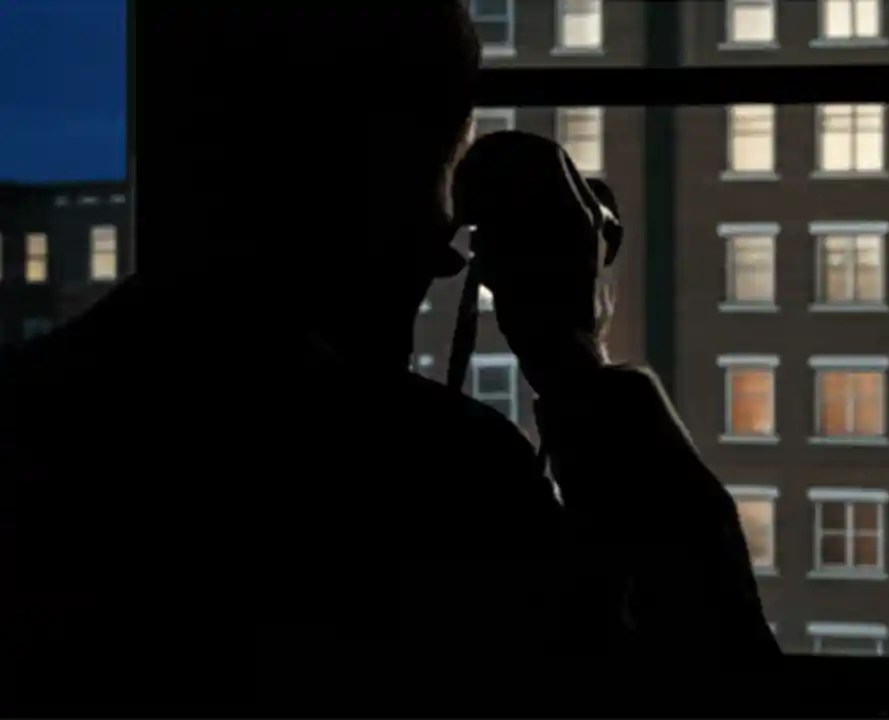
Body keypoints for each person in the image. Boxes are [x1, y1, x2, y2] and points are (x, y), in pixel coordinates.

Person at [0, 2, 778, 714]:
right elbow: (718, 685)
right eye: (440, 242)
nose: (431, 273)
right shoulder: (444, 481)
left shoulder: (26, 422)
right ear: (372, 214)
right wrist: (572, 354)